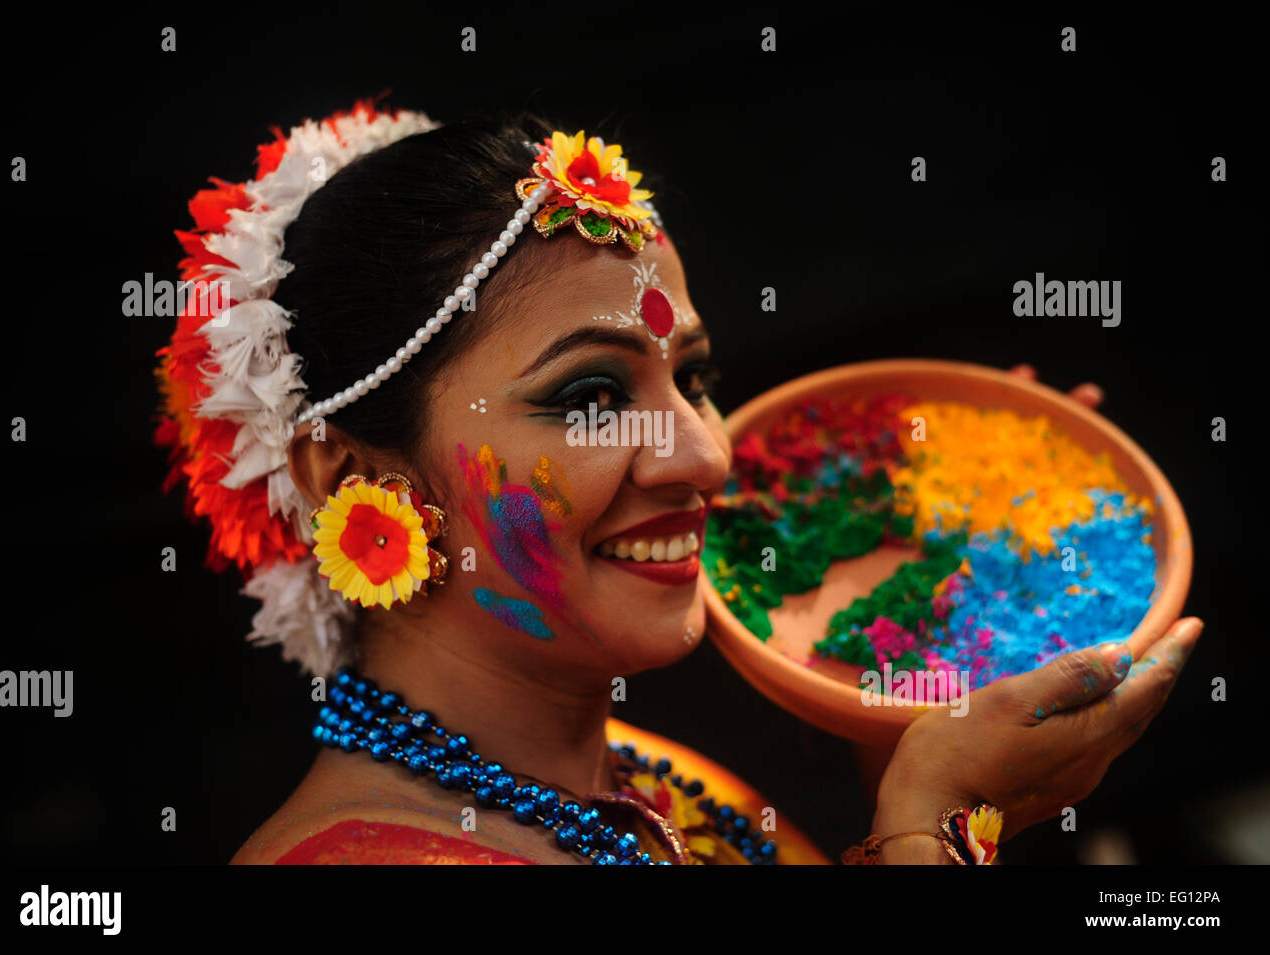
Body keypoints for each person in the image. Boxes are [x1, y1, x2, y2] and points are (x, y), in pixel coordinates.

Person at [154, 102, 1203, 865]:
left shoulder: (656, 788)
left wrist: (921, 670)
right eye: (590, 395)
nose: (705, 454)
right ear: (353, 476)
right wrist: (935, 822)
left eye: (691, 379)